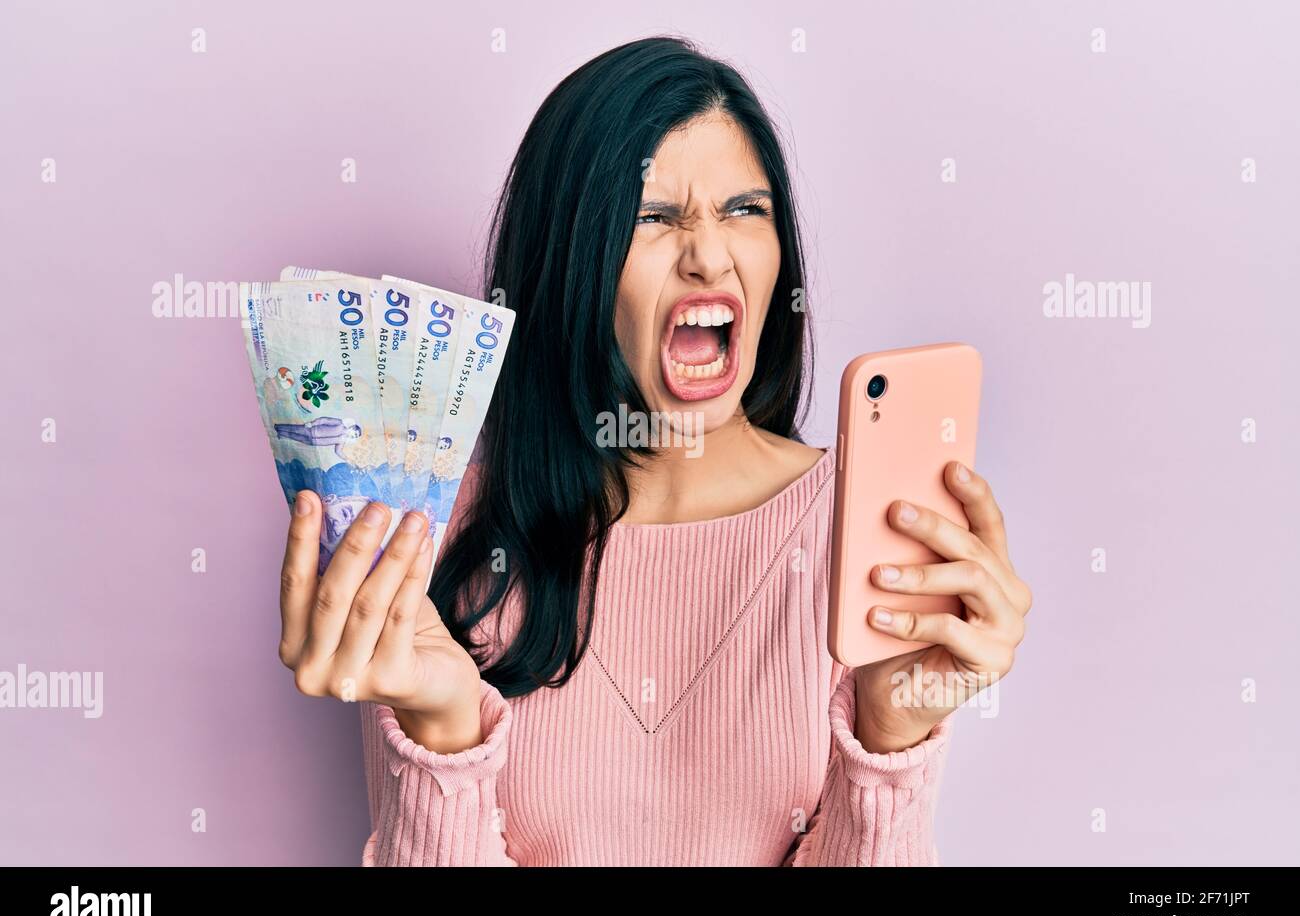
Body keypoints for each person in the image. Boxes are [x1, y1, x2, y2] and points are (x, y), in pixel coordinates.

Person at [276, 36, 1032, 866]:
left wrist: (891, 736)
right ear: (571, 266)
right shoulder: (443, 536)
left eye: (746, 210)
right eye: (653, 218)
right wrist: (443, 732)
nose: (710, 255)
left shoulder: (868, 540)